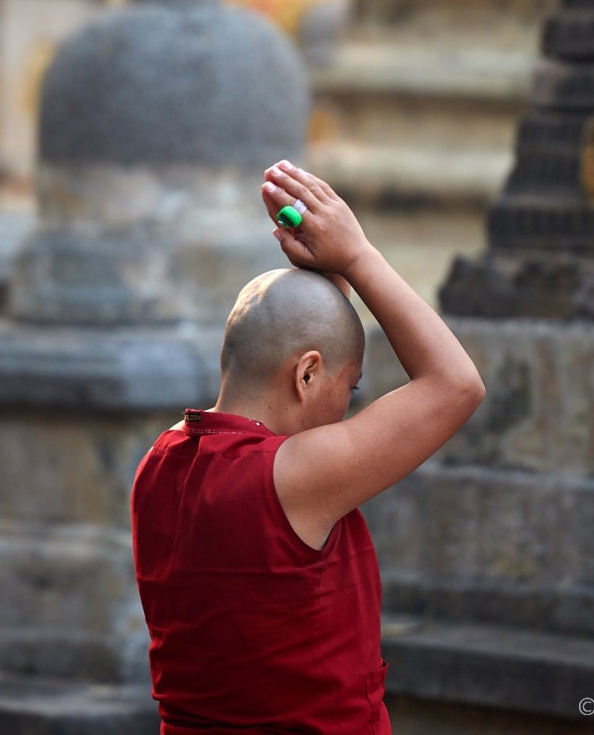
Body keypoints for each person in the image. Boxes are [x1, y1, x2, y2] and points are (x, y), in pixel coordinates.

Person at [130, 159, 487, 734]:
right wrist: (357, 256)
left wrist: (331, 281)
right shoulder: (293, 478)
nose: (348, 408)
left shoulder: (160, 462)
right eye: (351, 389)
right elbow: (456, 384)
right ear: (306, 376)